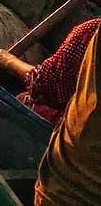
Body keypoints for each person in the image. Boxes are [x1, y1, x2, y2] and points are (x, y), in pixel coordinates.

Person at [35, 25, 101, 204]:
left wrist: (9, 62)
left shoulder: (87, 32)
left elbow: (44, 81)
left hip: (66, 189)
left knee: (25, 100)